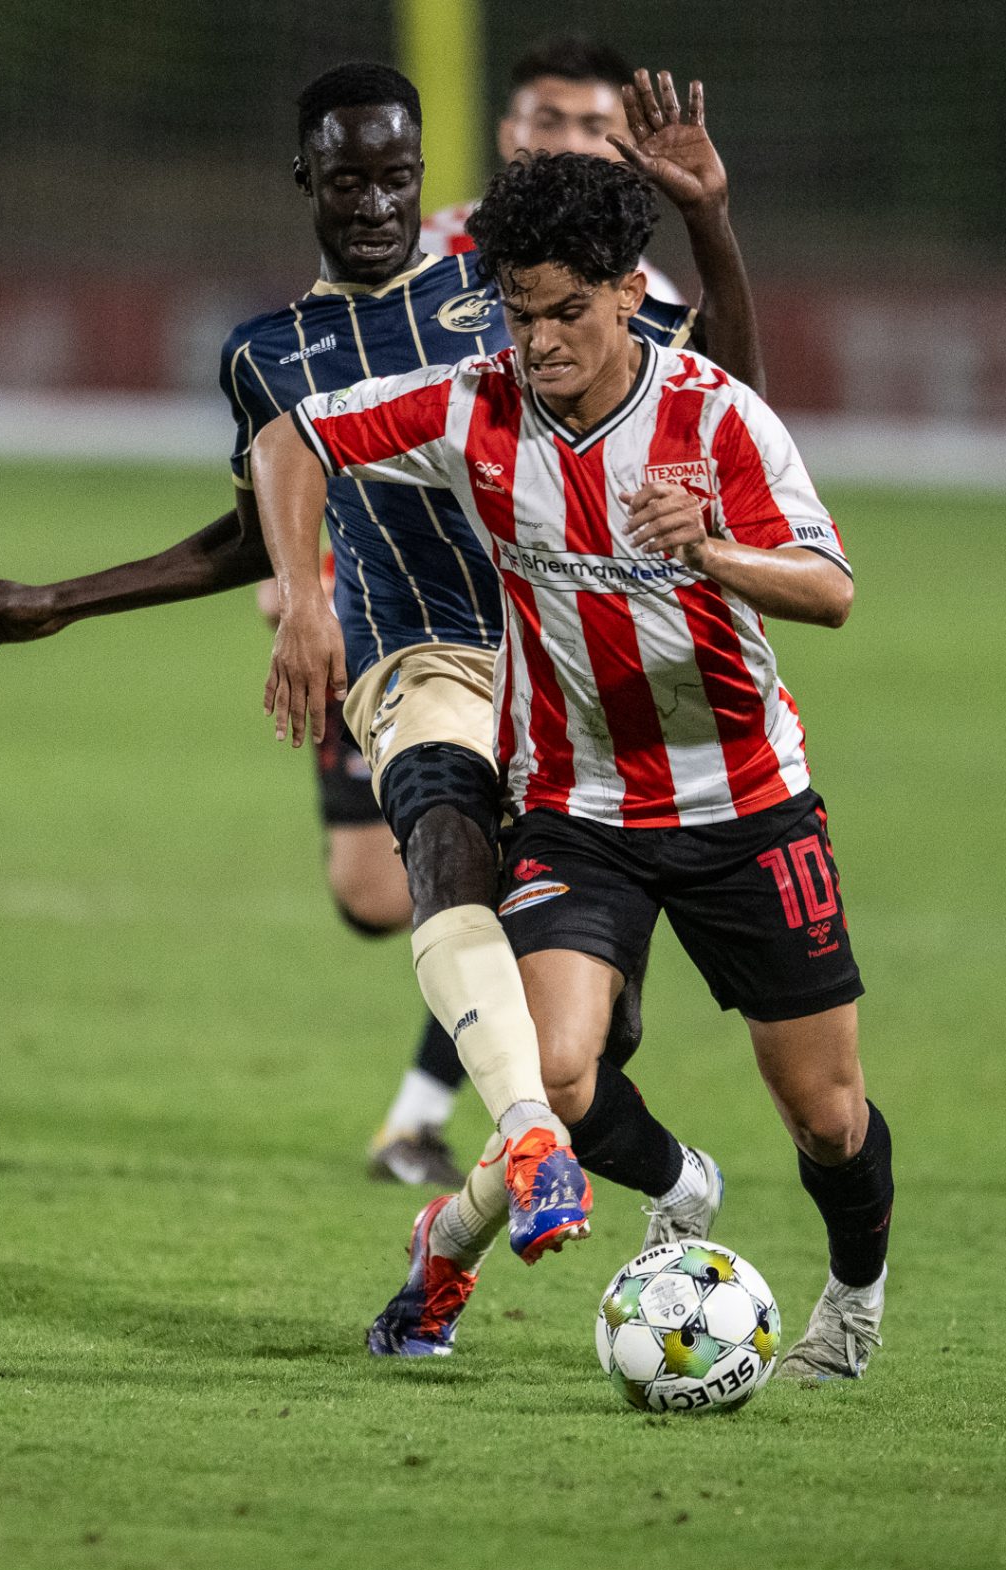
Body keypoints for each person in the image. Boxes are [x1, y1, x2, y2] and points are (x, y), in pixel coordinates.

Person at [0, 64, 761, 1203]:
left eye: (396, 178)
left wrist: (710, 223)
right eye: (348, 180)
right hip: (417, 652)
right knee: (439, 842)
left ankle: (539, 1208)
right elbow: (245, 538)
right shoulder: (267, 353)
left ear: (422, 177)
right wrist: (62, 600)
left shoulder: (507, 288)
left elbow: (721, 383)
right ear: (305, 179)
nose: (374, 204)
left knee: (594, 1046)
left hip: (568, 664)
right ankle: (519, 1138)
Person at [255, 152, 892, 1378]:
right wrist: (302, 598)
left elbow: (830, 590)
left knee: (826, 1113)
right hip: (576, 806)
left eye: (566, 311)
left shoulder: (716, 416)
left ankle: (853, 1299)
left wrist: (711, 550)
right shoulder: (472, 406)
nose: (538, 340)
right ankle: (680, 1181)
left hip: (747, 804)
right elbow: (294, 437)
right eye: (518, 309)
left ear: (625, 295)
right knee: (550, 1070)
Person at [420, 36, 690, 310]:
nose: (570, 145)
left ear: (631, 148)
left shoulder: (655, 299)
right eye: (547, 123)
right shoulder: (427, 254)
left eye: (594, 127)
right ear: (507, 136)